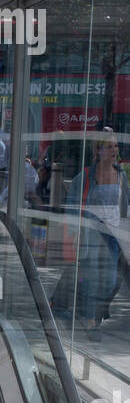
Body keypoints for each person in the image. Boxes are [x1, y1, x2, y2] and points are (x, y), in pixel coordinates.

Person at [64, 130, 129, 338]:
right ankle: (91, 321)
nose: (114, 151)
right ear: (98, 150)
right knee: (93, 278)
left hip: (114, 235)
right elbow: (74, 203)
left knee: (110, 280)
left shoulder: (121, 174)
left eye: (116, 146)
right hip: (93, 233)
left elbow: (125, 205)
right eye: (109, 147)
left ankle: (93, 313)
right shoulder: (86, 175)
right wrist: (75, 232)